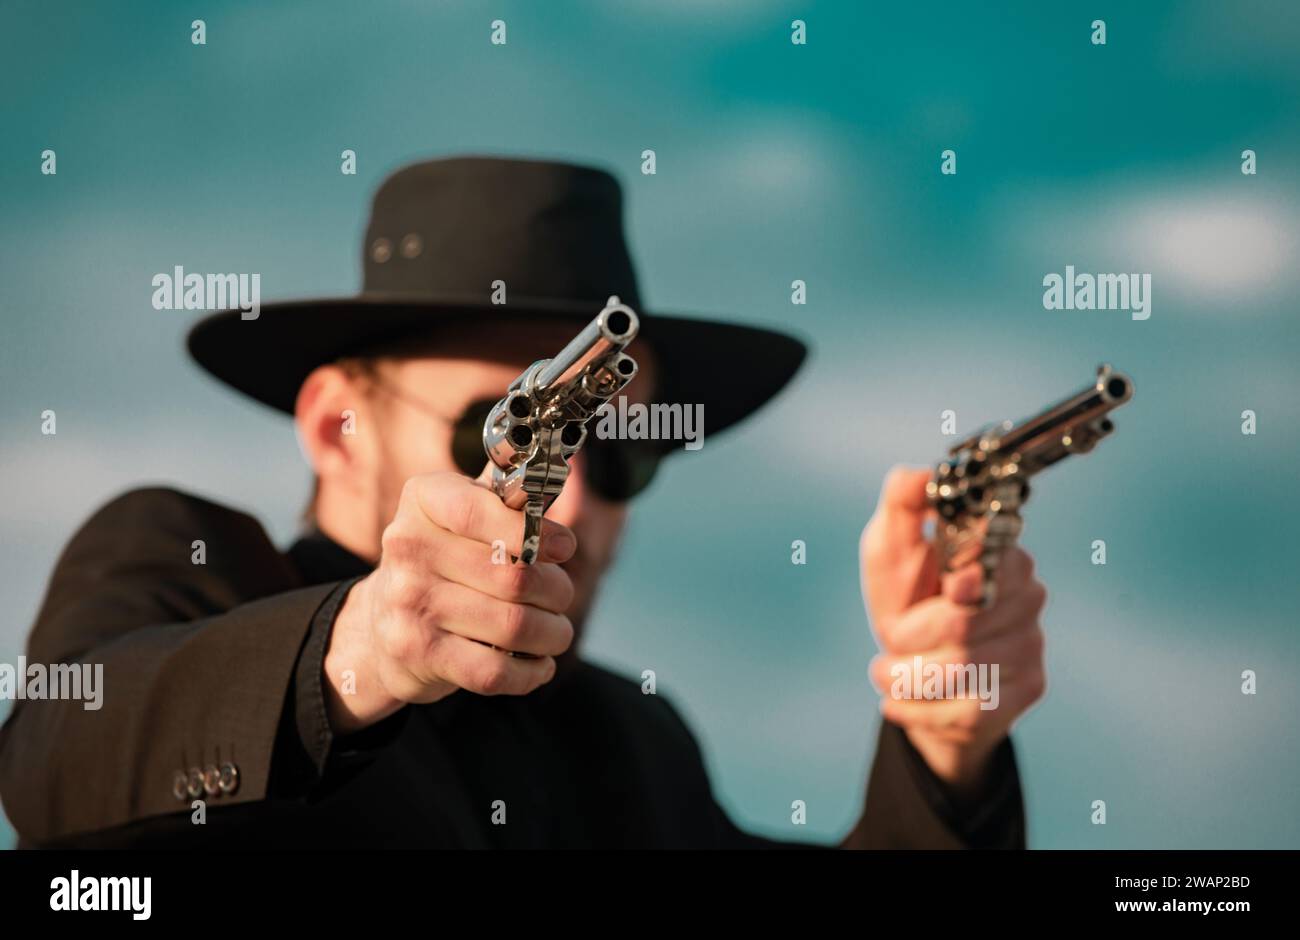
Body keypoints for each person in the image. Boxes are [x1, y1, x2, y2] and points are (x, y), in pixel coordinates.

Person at [0, 156, 1046, 848]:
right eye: (487, 426)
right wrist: (358, 653)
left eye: (620, 449)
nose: (575, 495)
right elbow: (52, 759)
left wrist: (944, 742)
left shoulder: (631, 743)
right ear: (336, 427)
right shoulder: (189, 555)